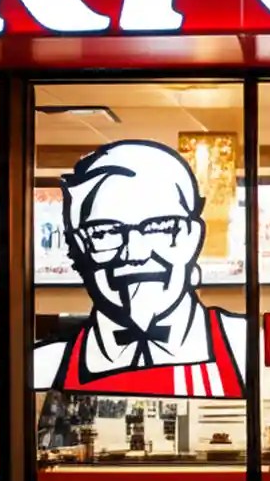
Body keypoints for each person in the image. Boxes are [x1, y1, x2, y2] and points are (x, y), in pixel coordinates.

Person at [33, 140, 246, 398]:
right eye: (105, 231)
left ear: (193, 236)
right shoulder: (43, 368)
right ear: (79, 245)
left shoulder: (243, 346)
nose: (136, 253)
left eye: (160, 227)